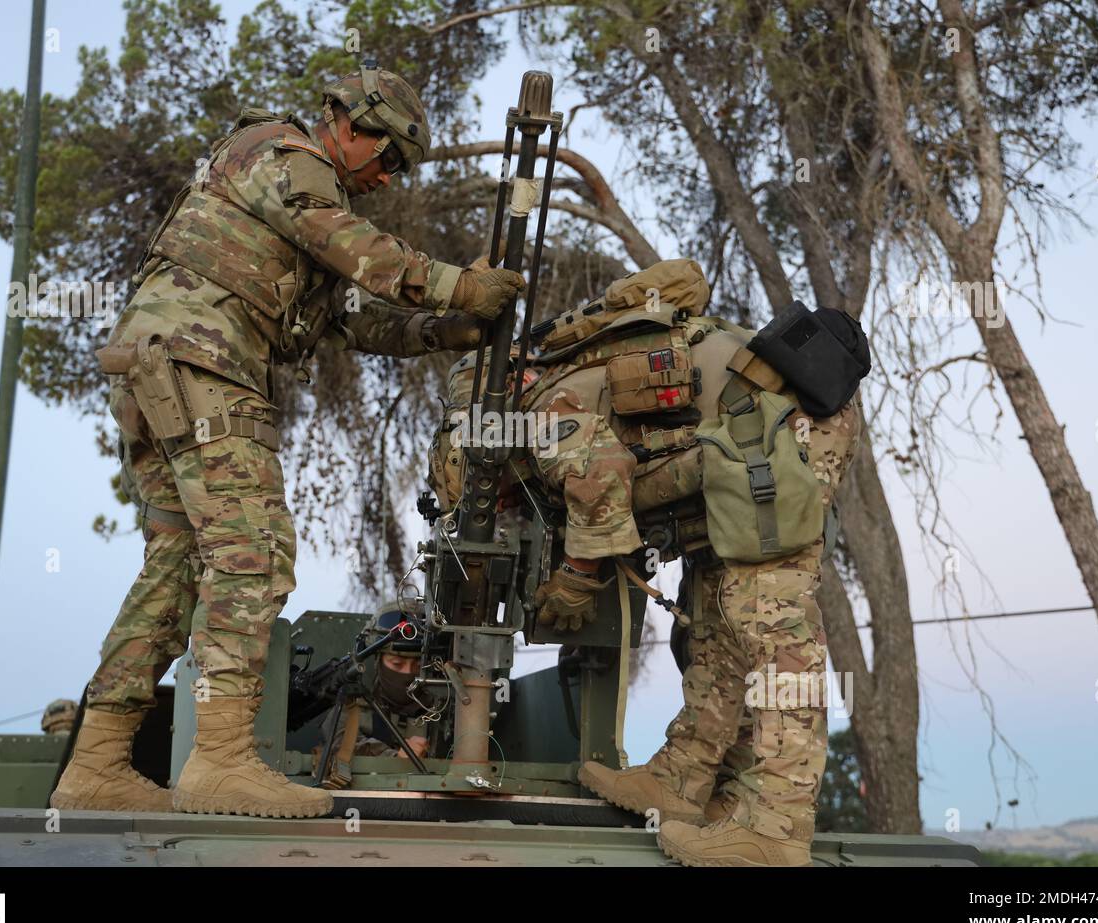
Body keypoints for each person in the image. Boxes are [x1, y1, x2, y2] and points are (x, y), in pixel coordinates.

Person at [51, 62, 524, 819]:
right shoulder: (286, 156)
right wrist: (455, 285)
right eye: (390, 156)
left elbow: (355, 320)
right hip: (201, 363)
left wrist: (443, 326)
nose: (389, 178)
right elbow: (344, 242)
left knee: (175, 571)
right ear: (352, 123)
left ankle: (97, 762)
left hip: (164, 369)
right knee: (254, 550)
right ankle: (222, 762)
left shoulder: (296, 198)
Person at [432, 260, 863, 865]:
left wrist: (577, 579)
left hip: (787, 436)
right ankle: (685, 784)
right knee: (714, 629)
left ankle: (775, 830)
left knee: (773, 633)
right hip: (743, 454)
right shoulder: (575, 376)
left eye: (493, 492)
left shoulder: (540, 408)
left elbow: (600, 474)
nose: (503, 504)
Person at [315, 604, 443, 789]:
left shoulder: (445, 703)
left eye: (417, 665)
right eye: (397, 664)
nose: (407, 672)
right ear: (378, 660)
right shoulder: (356, 699)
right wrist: (393, 758)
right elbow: (338, 741)